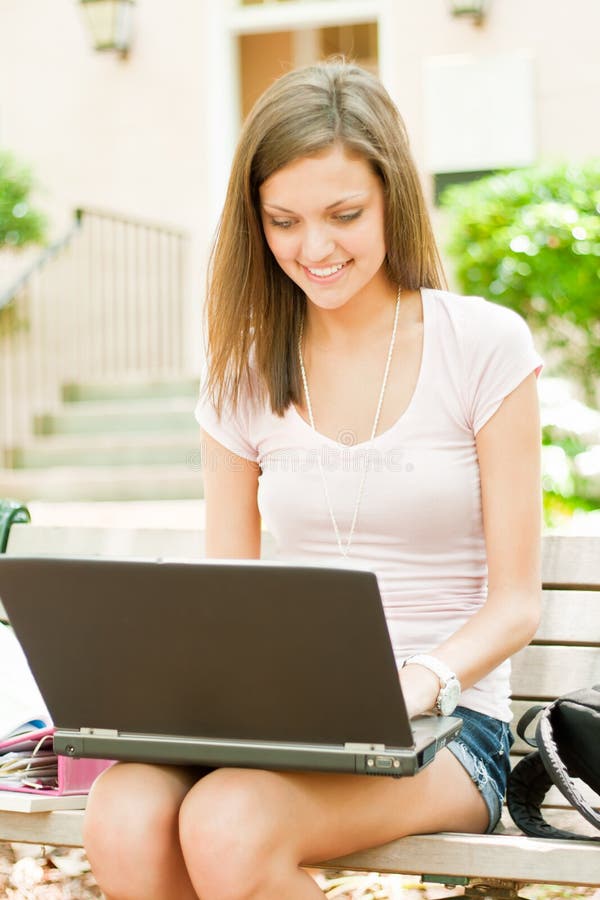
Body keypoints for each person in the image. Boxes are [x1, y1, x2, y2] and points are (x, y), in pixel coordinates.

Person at [84, 59, 544, 900]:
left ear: (392, 199)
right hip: (288, 721)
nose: (315, 249)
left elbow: (518, 602)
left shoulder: (482, 346)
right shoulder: (240, 373)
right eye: (284, 221)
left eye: (344, 215)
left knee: (228, 822)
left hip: (449, 724)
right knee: (122, 812)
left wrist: (414, 682)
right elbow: (229, 591)